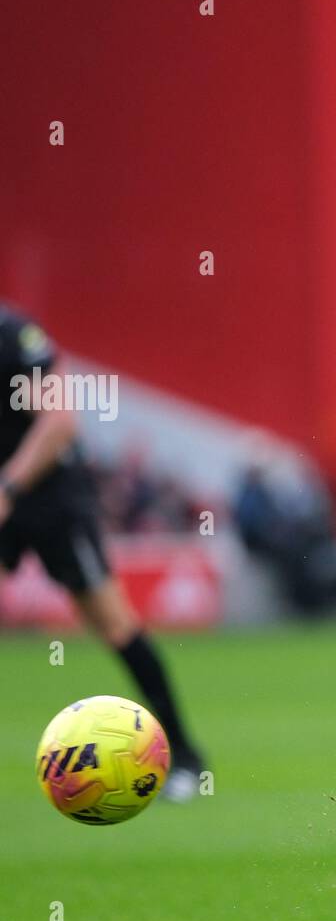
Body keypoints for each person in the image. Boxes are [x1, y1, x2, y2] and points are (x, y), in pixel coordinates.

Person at [0, 301, 206, 801]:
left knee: (114, 624)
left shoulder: (14, 336)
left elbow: (59, 423)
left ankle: (184, 756)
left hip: (50, 496)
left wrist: (8, 487)